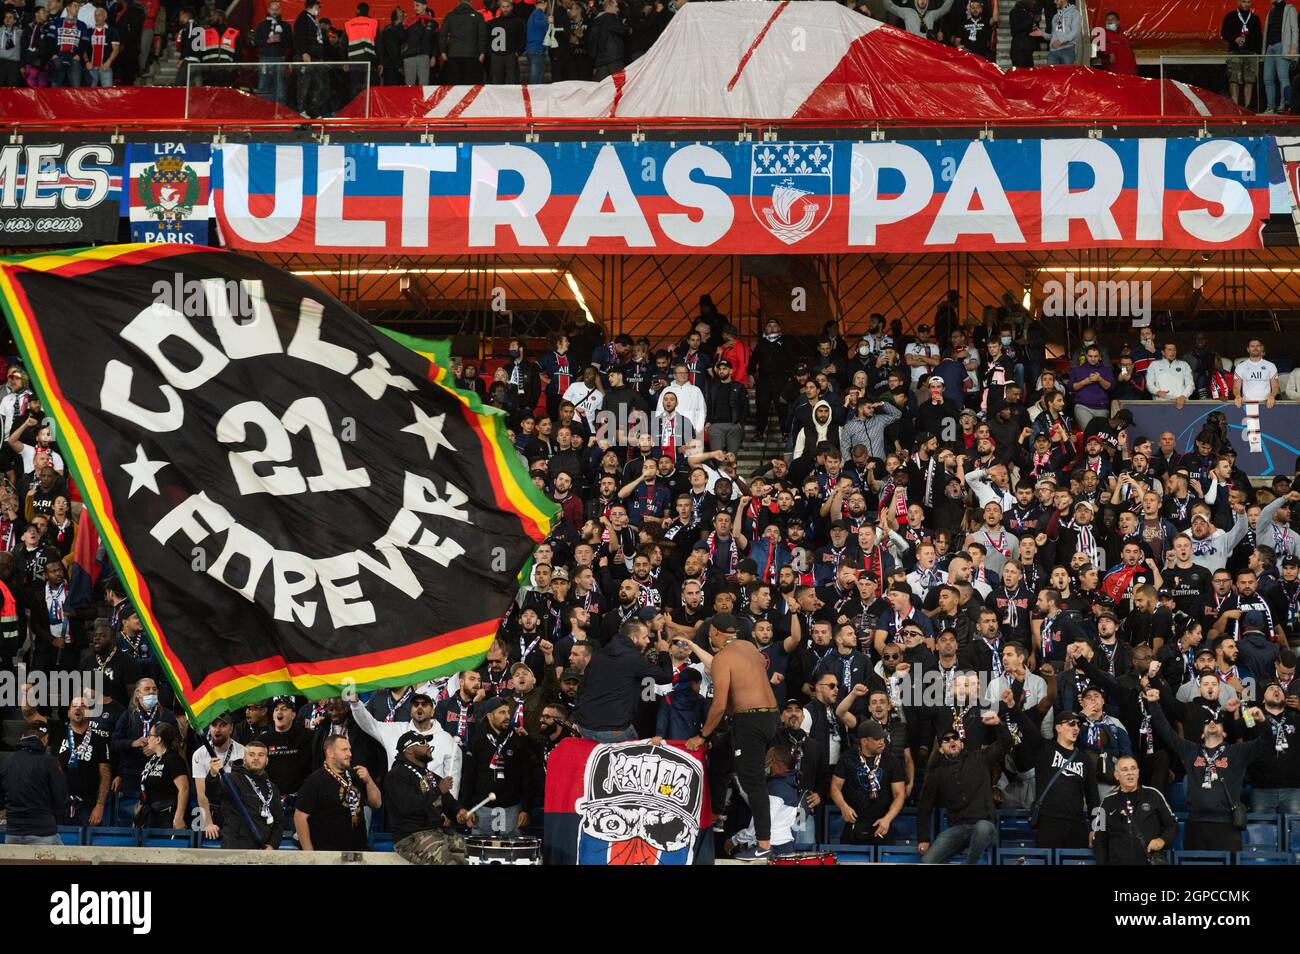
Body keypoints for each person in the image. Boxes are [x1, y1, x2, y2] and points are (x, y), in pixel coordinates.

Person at [685, 613, 779, 861]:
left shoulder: (723, 658)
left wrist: (703, 735)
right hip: (769, 718)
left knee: (752, 782)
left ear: (714, 632)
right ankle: (717, 814)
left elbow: (718, 704)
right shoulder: (748, 647)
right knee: (720, 758)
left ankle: (764, 844)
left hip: (750, 721)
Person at [1147, 687, 1267, 850]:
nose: (1211, 722)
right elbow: (1166, 731)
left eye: (1217, 722)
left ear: (1224, 734)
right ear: (1202, 735)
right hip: (1196, 824)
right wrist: (1153, 703)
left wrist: (1262, 721)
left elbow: (1265, 744)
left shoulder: (1237, 752)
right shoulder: (1190, 750)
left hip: (1227, 825)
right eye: (1207, 722)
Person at [917, 710, 1011, 863]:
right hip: (957, 829)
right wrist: (923, 839)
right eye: (946, 740)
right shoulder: (937, 775)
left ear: (961, 743)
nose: (952, 741)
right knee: (928, 861)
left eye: (955, 738)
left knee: (982, 828)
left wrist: (998, 724)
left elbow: (1006, 744)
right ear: (941, 749)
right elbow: (924, 807)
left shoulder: (979, 758)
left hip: (985, 825)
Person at [573, 617, 673, 741]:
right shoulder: (634, 658)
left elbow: (582, 689)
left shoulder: (599, 655)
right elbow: (666, 676)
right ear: (633, 638)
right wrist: (664, 652)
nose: (648, 641)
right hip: (614, 731)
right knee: (638, 750)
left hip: (585, 727)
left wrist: (578, 719)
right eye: (645, 637)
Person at [384, 731, 466, 865]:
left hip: (436, 832)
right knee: (447, 862)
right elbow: (407, 806)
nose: (428, 745)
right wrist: (438, 790)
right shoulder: (396, 775)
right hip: (410, 836)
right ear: (409, 749)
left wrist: (459, 811)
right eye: (422, 743)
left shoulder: (430, 775)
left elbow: (448, 801)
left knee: (466, 854)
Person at [459, 696, 532, 836]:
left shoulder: (517, 739)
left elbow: (526, 776)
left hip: (512, 807)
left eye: (508, 712)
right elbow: (468, 777)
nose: (507, 716)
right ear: (490, 716)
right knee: (482, 853)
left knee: (512, 853)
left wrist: (526, 809)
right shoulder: (477, 740)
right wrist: (467, 808)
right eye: (502, 712)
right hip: (482, 808)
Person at [294, 735, 382, 851]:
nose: (350, 754)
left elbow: (376, 803)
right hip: (327, 852)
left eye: (349, 749)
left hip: (358, 850)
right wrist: (309, 852)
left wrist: (369, 780)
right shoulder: (315, 781)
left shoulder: (356, 775)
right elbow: (299, 817)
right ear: (330, 753)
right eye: (344, 750)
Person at [830, 720, 906, 844]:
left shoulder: (891, 760)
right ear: (864, 741)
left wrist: (888, 819)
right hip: (854, 821)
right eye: (877, 739)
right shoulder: (848, 758)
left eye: (882, 737)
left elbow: (899, 794)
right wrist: (843, 807)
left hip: (882, 822)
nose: (882, 741)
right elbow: (835, 787)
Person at [1092, 755, 1178, 864]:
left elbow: (1172, 825)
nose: (1130, 773)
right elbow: (1099, 840)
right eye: (1125, 770)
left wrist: (1162, 840)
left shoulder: (1153, 795)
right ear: (1116, 775)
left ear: (1138, 772)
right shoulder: (1107, 802)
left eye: (1133, 768)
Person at [203, 738, 284, 850]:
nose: (256, 758)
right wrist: (212, 775)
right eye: (251, 754)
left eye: (261, 755)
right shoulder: (230, 779)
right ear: (244, 759)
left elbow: (279, 821)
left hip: (262, 851)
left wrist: (272, 845)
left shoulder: (272, 788)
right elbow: (212, 795)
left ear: (266, 760)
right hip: (234, 848)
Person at [0, 728, 69, 845]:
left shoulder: (7, 762)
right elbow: (61, 798)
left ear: (22, 738)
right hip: (43, 832)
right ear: (45, 739)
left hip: (13, 833)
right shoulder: (50, 762)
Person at [56, 696, 110, 827]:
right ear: (68, 712)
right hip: (58, 804)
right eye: (74, 706)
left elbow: (105, 774)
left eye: (83, 705)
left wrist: (100, 805)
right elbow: (32, 716)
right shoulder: (57, 734)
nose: (78, 708)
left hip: (88, 806)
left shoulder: (100, 740)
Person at [192, 711, 244, 841]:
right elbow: (201, 793)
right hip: (211, 807)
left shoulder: (243, 752)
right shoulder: (199, 754)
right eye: (214, 725)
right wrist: (208, 823)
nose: (217, 729)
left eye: (222, 725)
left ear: (231, 728)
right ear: (209, 728)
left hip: (235, 808)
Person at [135, 723, 189, 830]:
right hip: (150, 815)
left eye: (150, 735)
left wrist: (178, 817)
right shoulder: (153, 759)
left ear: (158, 739)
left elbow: (184, 789)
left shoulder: (173, 759)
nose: (148, 739)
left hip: (167, 815)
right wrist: (138, 817)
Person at [1224, 0, 1265, 108]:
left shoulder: (1255, 18)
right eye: (1243, 1)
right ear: (1238, 2)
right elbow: (1224, 32)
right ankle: (1235, 106)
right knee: (1233, 79)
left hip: (1250, 54)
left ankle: (1247, 106)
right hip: (1235, 52)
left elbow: (1259, 37)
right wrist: (1234, 39)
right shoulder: (1230, 16)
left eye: (1248, 2)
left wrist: (1259, 53)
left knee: (1249, 80)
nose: (1246, 4)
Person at [1261, 0, 1298, 113]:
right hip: (1270, 47)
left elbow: (1294, 30)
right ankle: (1270, 107)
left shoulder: (1290, 9)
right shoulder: (1271, 10)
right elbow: (1267, 32)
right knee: (1267, 78)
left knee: (1283, 77)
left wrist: (1294, 47)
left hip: (1282, 46)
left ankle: (1284, 105)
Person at [1234, 338, 1280, 408]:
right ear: (1248, 349)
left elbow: (1275, 387)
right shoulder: (1240, 366)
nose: (1255, 348)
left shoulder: (1270, 365)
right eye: (1252, 346)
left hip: (1266, 404)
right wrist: (1237, 396)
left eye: (1258, 346)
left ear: (1261, 348)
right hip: (1247, 404)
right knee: (1251, 419)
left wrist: (1272, 396)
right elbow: (1236, 387)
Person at [586, 0, 626, 79]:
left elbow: (591, 42)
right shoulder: (611, 17)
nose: (618, 9)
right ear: (609, 7)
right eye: (616, 6)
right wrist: (628, 28)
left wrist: (594, 62)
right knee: (619, 86)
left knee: (602, 88)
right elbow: (619, 29)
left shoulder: (595, 21)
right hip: (614, 59)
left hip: (600, 62)